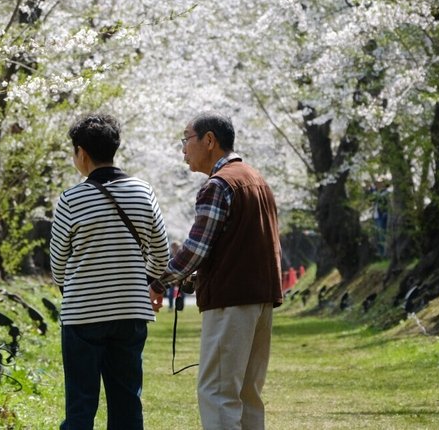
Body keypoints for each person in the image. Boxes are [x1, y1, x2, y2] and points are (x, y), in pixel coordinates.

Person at [150, 112, 282, 430]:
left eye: (186, 139)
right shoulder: (256, 179)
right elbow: (240, 247)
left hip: (230, 301)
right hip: (261, 299)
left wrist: (159, 281)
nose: (183, 149)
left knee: (218, 392)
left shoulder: (219, 184)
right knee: (249, 393)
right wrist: (198, 278)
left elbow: (195, 248)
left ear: (209, 141)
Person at [50, 114, 170, 430]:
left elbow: (58, 263)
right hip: (131, 310)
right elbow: (162, 253)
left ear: (81, 153)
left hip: (82, 314)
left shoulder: (71, 199)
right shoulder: (143, 192)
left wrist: (73, 287)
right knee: (127, 401)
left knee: (80, 404)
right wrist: (148, 282)